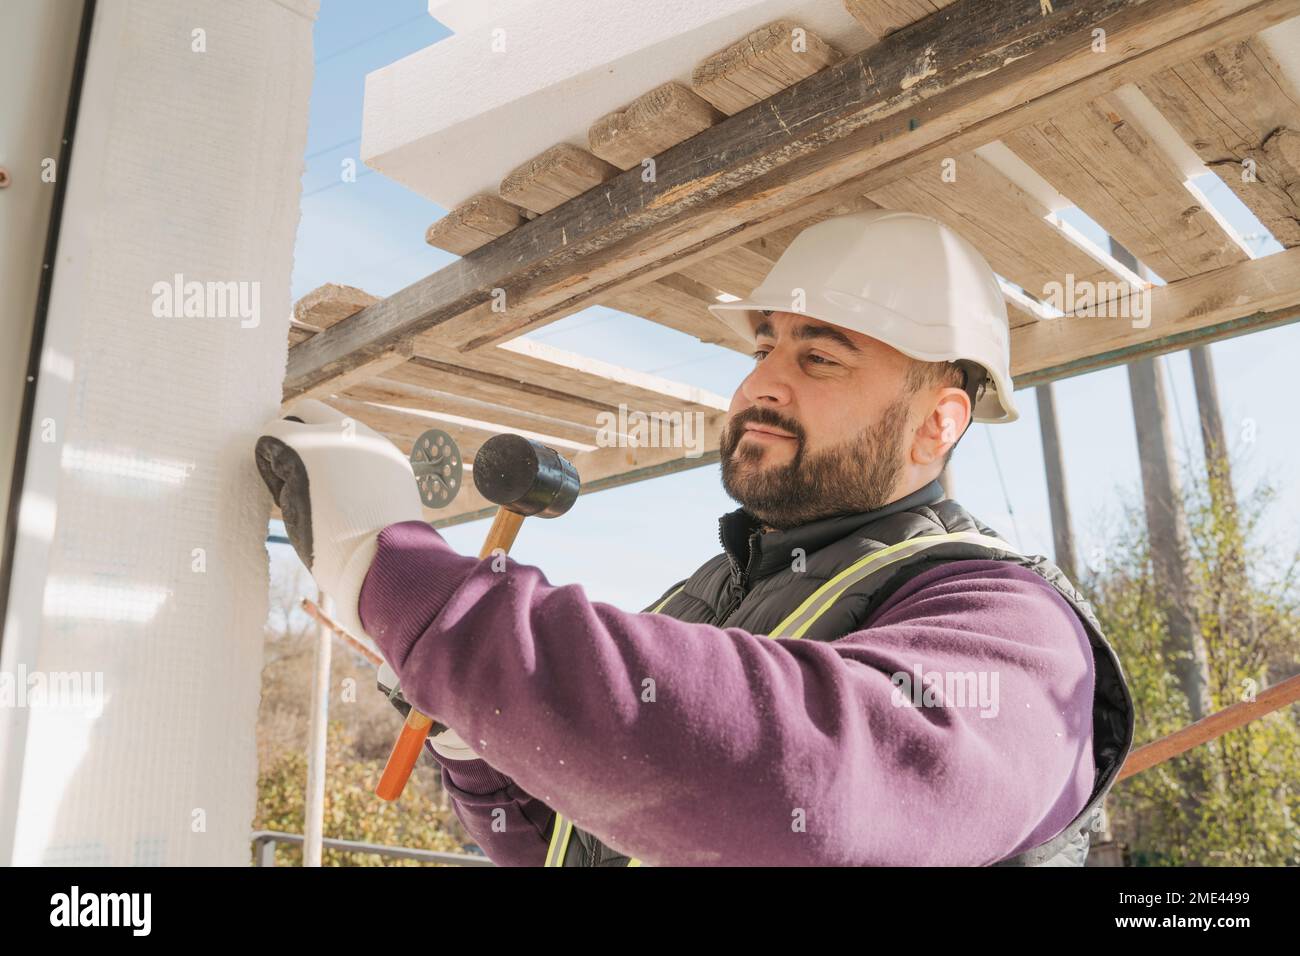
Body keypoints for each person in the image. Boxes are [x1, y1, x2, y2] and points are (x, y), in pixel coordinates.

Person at [255, 208, 1135, 866]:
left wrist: (409, 581)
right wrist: (467, 737)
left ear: (936, 424)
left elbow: (806, 783)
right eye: (763, 348)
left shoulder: (1013, 629)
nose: (762, 384)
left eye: (817, 357)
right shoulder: (712, 595)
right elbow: (575, 845)